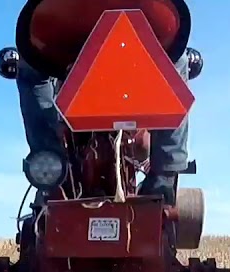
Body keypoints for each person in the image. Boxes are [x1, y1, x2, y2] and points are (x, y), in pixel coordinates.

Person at [15, 51, 191, 205]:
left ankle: (51, 168)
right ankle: (166, 174)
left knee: (31, 66)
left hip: (83, 43)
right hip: (130, 46)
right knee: (177, 58)